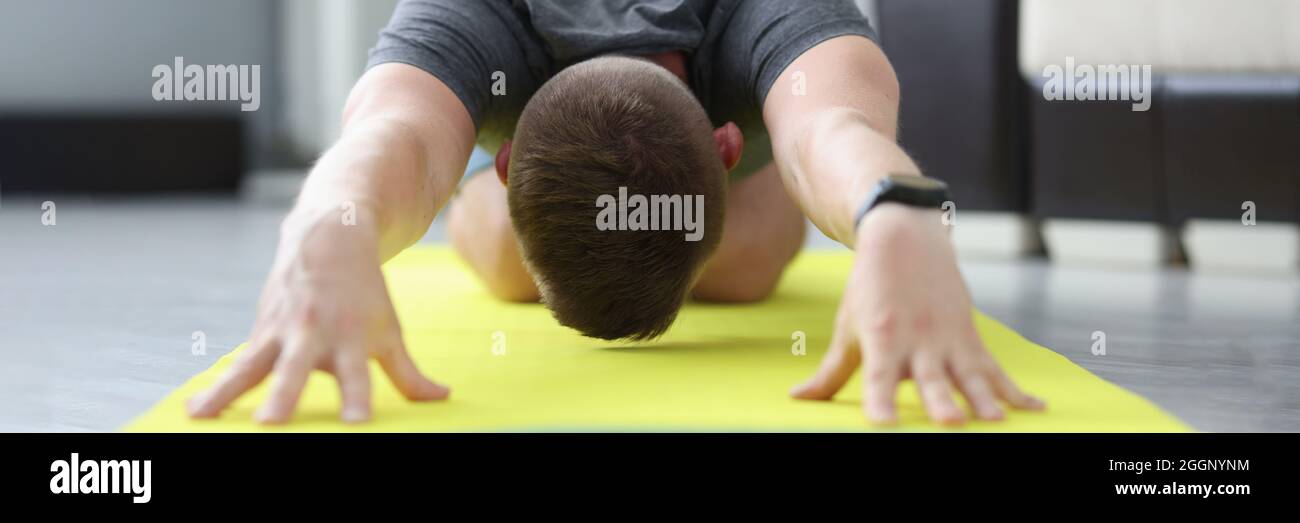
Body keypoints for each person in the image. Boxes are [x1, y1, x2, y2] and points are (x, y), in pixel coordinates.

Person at [186, 0, 1045, 426]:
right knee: (519, 260)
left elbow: (832, 125)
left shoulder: (776, 11)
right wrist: (326, 225)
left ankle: (679, 233)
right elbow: (395, 135)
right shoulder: (468, 19)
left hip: (718, 154)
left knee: (740, 265)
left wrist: (893, 213)